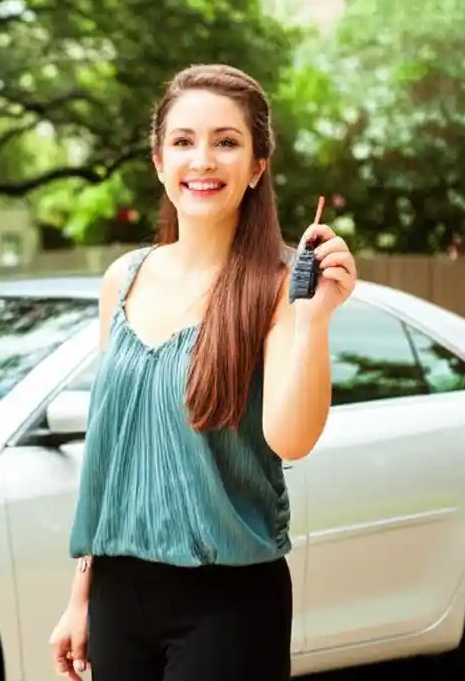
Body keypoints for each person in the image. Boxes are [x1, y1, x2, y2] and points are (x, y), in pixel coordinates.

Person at [48, 63, 357, 680]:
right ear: (160, 162)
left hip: (228, 601)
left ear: (257, 166)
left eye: (226, 142)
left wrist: (315, 320)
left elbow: (291, 439)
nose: (203, 160)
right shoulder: (123, 280)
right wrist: (81, 595)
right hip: (119, 594)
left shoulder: (279, 288)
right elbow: (108, 454)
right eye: (184, 141)